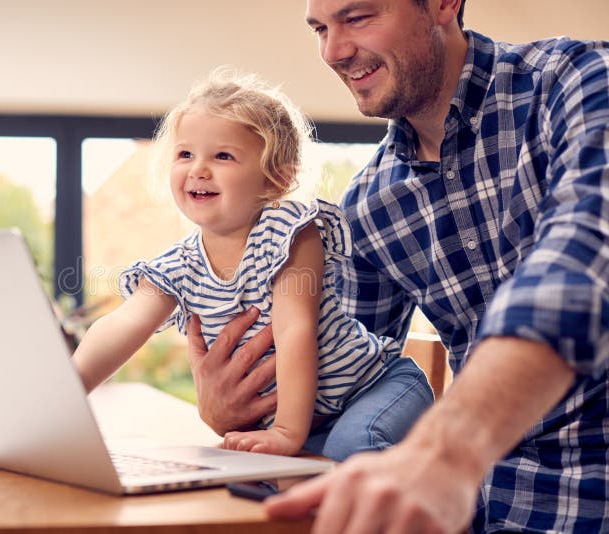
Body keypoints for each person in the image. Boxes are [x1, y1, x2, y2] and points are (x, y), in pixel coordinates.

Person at [188, 0, 609, 532]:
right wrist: (236, 406)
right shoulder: (370, 202)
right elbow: (344, 381)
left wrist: (448, 448)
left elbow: (586, 259)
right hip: (477, 511)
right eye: (321, 28)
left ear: (442, 5)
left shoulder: (577, 82)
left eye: (358, 17)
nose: (334, 51)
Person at [71, 69, 433, 458]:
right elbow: (122, 324)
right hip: (313, 422)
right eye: (185, 154)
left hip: (376, 389)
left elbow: (295, 327)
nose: (198, 169)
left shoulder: (290, 231)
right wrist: (65, 394)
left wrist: (286, 431)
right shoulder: (178, 267)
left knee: (352, 447)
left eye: (223, 156)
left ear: (276, 178)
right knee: (248, 480)